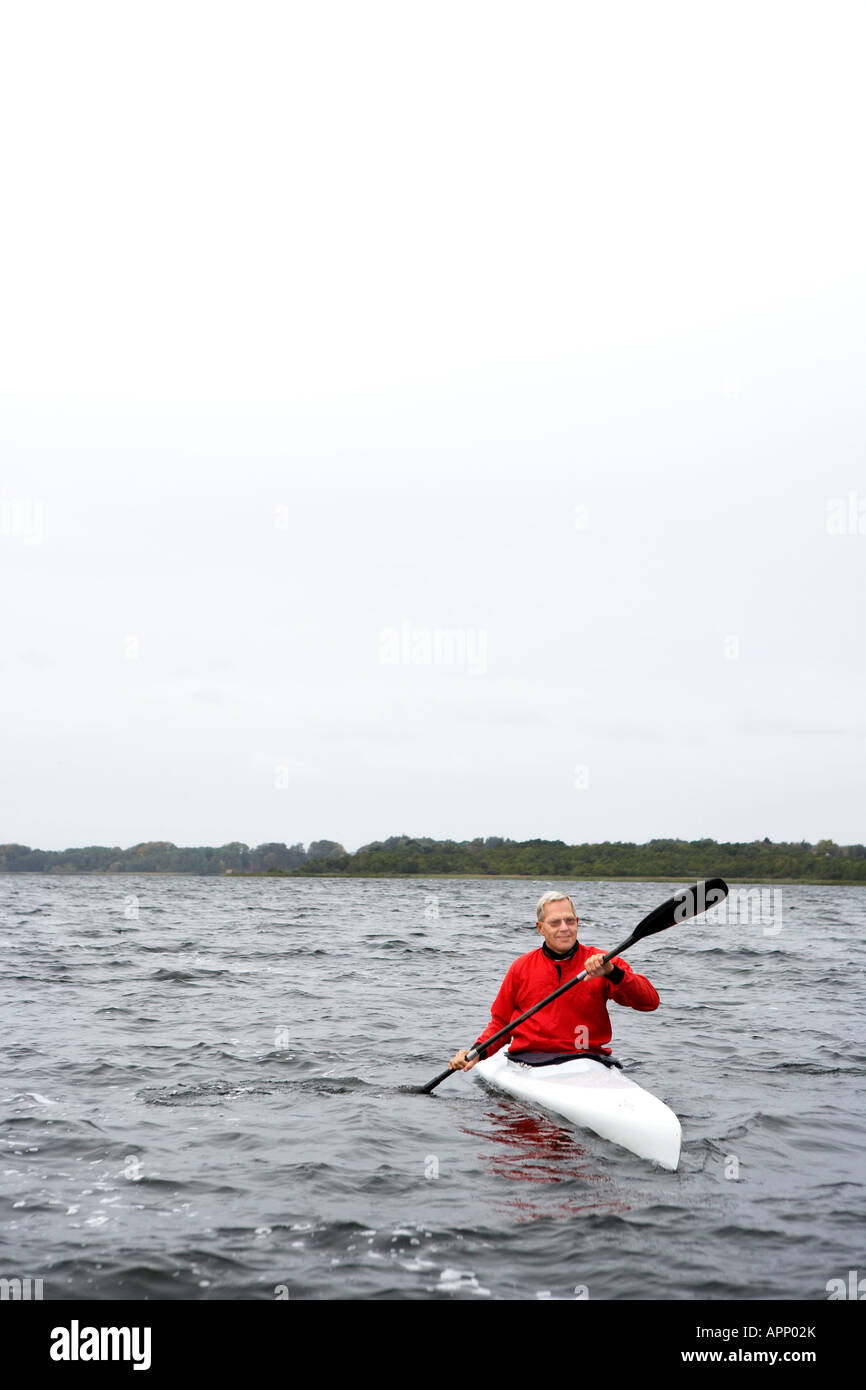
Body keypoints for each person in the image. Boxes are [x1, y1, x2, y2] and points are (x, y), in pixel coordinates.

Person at [449, 890, 660, 1071]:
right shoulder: (521, 967)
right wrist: (478, 1051)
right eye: (555, 922)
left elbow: (649, 1002)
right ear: (540, 928)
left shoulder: (603, 961)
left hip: (589, 1061)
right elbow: (501, 1023)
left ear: (577, 923)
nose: (564, 928)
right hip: (531, 1063)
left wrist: (613, 973)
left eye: (570, 920)